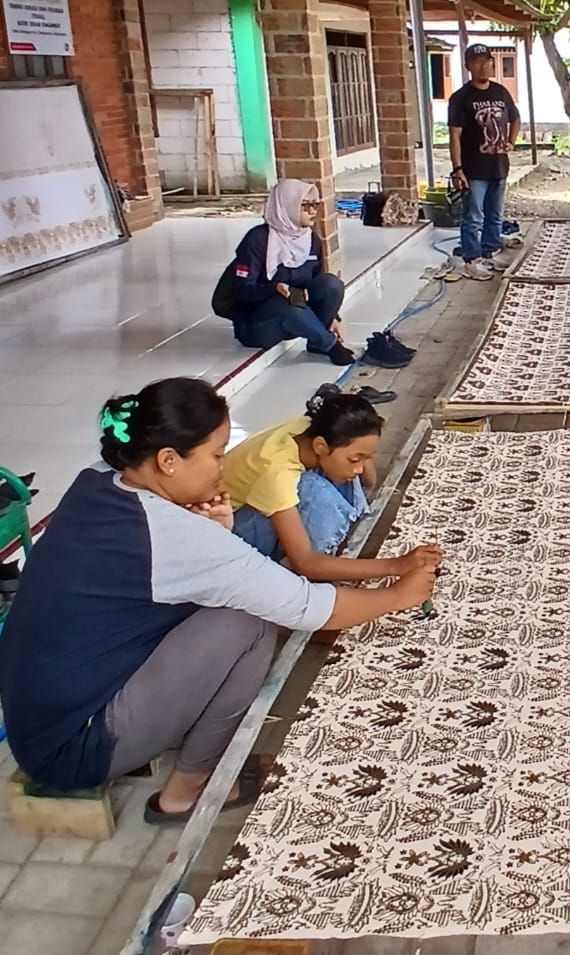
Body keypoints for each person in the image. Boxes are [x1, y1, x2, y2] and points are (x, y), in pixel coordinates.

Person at [0, 378, 437, 825]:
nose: (221, 467)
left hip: (39, 715)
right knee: (250, 621)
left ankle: (179, 747)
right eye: (215, 454)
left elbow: (159, 577)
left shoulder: (99, 479)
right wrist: (397, 596)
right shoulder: (169, 535)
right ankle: (185, 793)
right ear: (168, 461)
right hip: (71, 747)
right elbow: (306, 606)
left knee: (230, 605)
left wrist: (213, 533)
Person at [224, 384, 441, 580]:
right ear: (320, 446)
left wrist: (361, 452)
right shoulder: (276, 473)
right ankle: (303, 564)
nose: (359, 468)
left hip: (269, 498)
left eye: (366, 457)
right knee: (313, 486)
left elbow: (370, 481)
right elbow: (306, 564)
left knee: (336, 470)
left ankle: (333, 544)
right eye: (355, 459)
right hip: (234, 533)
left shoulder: (313, 428)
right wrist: (396, 566)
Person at [226, 180, 355, 365]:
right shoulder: (258, 240)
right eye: (305, 205)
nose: (312, 211)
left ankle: (317, 340)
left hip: (296, 313)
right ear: (286, 206)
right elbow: (241, 291)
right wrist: (274, 288)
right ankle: (329, 344)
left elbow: (317, 282)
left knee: (332, 284)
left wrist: (332, 316)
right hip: (258, 324)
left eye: (315, 204)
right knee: (289, 308)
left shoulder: (311, 240)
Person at [448, 43, 521, 282]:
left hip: (498, 166)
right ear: (468, 66)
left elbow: (515, 118)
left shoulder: (500, 92)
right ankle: (472, 260)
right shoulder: (460, 98)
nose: (484, 66)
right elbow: (455, 136)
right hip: (474, 169)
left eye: (487, 61)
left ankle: (490, 252)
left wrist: (511, 141)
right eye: (478, 62)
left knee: (495, 215)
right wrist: (458, 169)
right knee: (473, 217)